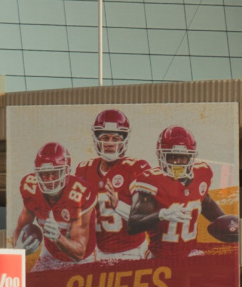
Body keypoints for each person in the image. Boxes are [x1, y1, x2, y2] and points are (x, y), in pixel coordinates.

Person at [129, 125, 228, 259]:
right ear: (161, 156)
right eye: (172, 157)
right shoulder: (153, 181)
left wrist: (229, 224)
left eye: (183, 157)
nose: (178, 162)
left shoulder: (201, 174)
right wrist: (161, 215)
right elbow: (133, 225)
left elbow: (206, 203)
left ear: (191, 157)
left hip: (190, 255)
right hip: (159, 257)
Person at [73, 109, 150, 261]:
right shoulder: (84, 169)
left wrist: (118, 205)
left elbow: (144, 218)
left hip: (132, 251)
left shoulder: (135, 168)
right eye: (105, 138)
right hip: (97, 252)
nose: (109, 143)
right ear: (96, 139)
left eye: (115, 138)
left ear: (124, 141)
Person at [14, 141, 95, 268]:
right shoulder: (32, 190)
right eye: (45, 174)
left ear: (66, 172)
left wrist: (58, 237)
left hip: (80, 261)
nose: (50, 179)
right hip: (49, 254)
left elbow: (79, 252)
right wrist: (18, 249)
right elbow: (20, 228)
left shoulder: (79, 194)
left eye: (55, 173)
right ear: (38, 174)